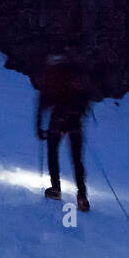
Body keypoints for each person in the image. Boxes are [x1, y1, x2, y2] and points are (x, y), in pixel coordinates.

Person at [35, 54, 90, 212]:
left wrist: (39, 124)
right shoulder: (78, 70)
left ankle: (56, 189)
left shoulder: (53, 72)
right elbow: (86, 96)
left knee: (53, 153)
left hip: (57, 118)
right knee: (77, 158)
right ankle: (82, 195)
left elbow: (44, 99)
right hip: (75, 120)